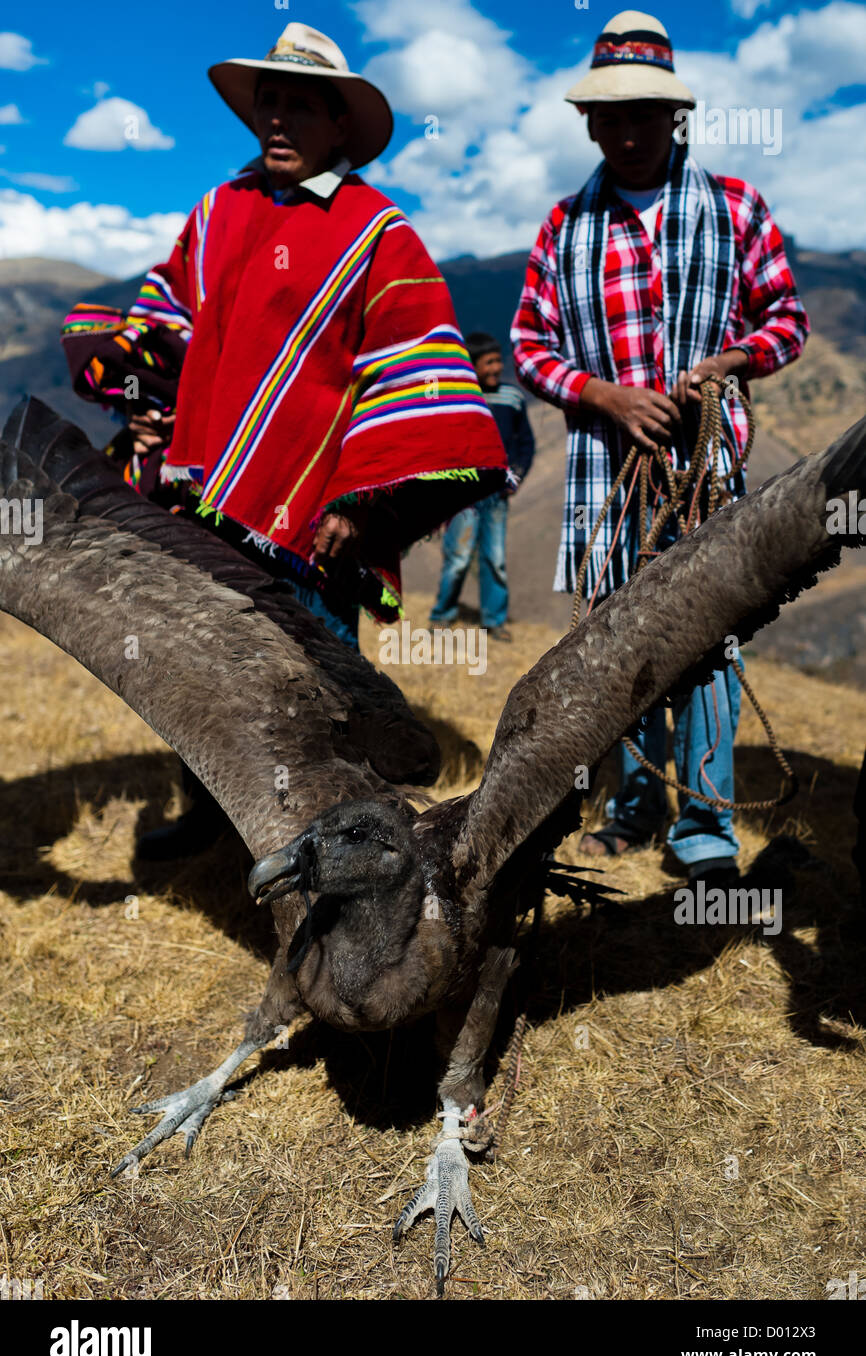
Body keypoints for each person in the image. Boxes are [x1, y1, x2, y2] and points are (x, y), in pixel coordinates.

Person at [61, 21, 507, 858]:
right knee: (200, 668)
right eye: (270, 101)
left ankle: (329, 856)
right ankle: (214, 818)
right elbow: (168, 323)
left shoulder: (379, 234)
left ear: (341, 126)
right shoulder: (217, 212)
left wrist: (362, 501)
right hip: (199, 500)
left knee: (314, 687)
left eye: (303, 105)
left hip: (313, 521)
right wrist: (147, 401)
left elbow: (416, 373)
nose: (279, 119)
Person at [512, 10, 809, 885]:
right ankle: (636, 803)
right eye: (614, 114)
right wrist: (602, 394)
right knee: (621, 645)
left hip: (706, 477)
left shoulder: (735, 207)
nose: (630, 130)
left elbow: (785, 322)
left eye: (647, 112)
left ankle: (706, 825)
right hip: (608, 480)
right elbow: (531, 344)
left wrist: (726, 363)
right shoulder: (563, 228)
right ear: (589, 120)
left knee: (710, 641)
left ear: (675, 115)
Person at [429, 332, 534, 641]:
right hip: (464, 496)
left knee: (495, 558)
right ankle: (442, 615)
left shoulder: (512, 398)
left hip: (497, 495)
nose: (497, 367)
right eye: (488, 362)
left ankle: (494, 620)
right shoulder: (460, 398)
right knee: (458, 558)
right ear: (471, 366)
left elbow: (526, 443)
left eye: (499, 360)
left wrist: (516, 476)